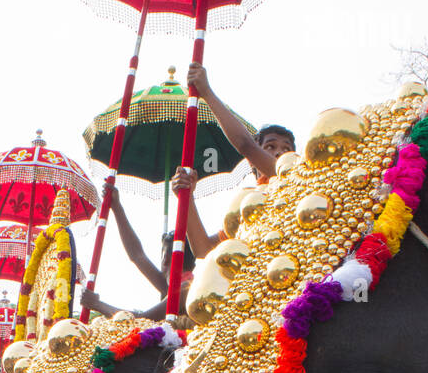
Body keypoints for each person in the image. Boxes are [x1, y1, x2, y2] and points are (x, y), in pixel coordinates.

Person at [172, 62, 296, 258]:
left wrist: (207, 93)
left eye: (286, 149)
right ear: (251, 163)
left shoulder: (294, 180)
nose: (279, 153)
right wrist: (186, 197)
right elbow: (203, 250)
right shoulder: (247, 207)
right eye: (270, 147)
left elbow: (245, 144)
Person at [79, 178, 198, 321]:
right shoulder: (169, 285)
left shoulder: (185, 288)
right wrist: (117, 207)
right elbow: (137, 255)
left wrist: (97, 304)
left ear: (165, 258)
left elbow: (143, 320)